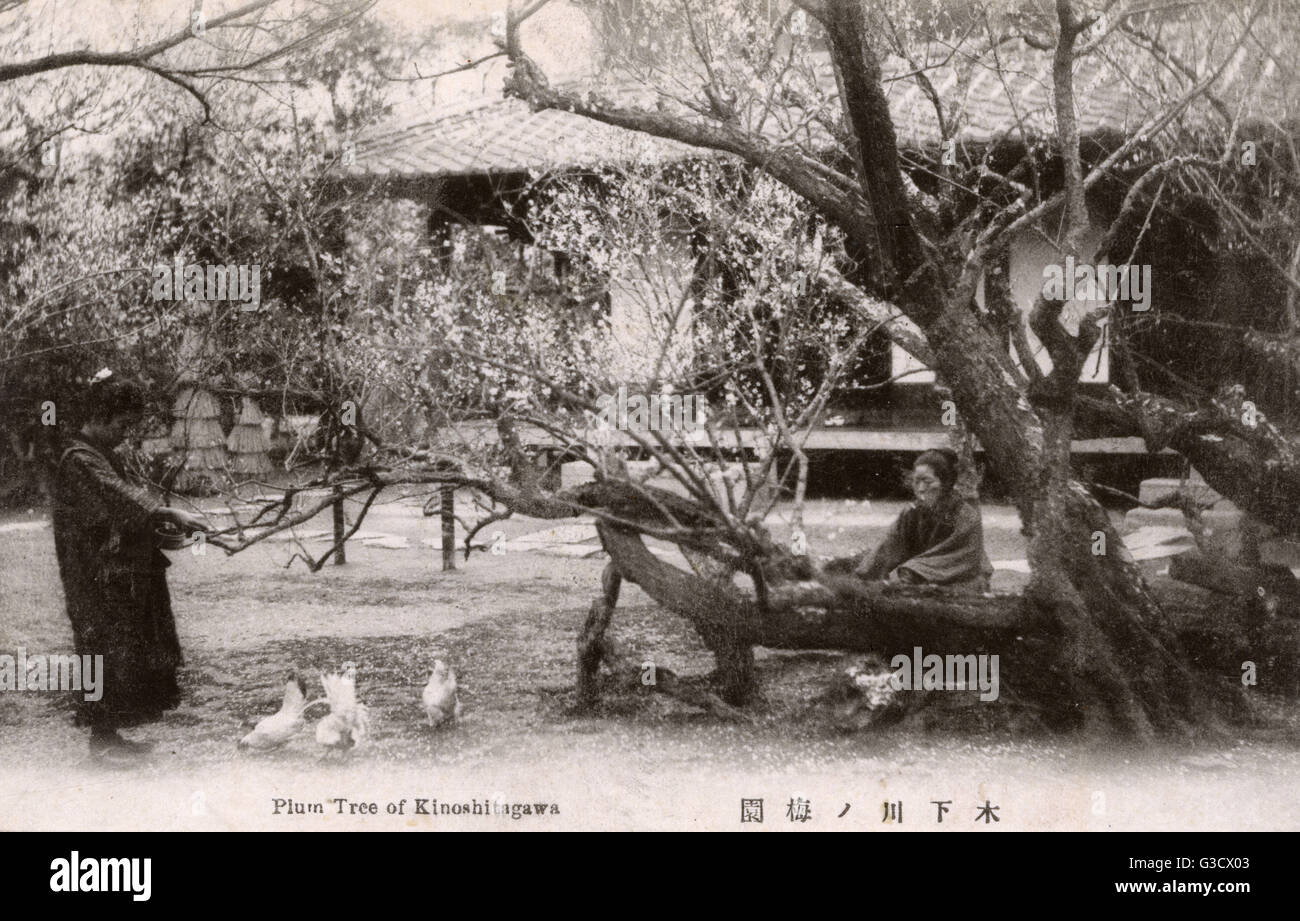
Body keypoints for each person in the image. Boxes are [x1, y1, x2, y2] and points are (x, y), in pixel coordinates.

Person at [51, 375, 208, 763]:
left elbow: (125, 507)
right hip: (91, 573)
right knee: (98, 649)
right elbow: (118, 498)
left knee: (119, 651)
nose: (124, 435)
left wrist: (159, 529)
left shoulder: (101, 453)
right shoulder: (79, 458)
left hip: (112, 570)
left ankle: (110, 737)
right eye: (122, 425)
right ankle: (101, 741)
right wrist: (162, 512)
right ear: (101, 416)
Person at [852, 449, 993, 591]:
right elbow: (890, 543)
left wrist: (915, 569)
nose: (920, 489)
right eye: (916, 482)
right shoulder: (912, 512)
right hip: (922, 573)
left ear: (945, 483)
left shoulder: (964, 514)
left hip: (961, 576)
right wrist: (865, 571)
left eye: (927, 481)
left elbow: (960, 557)